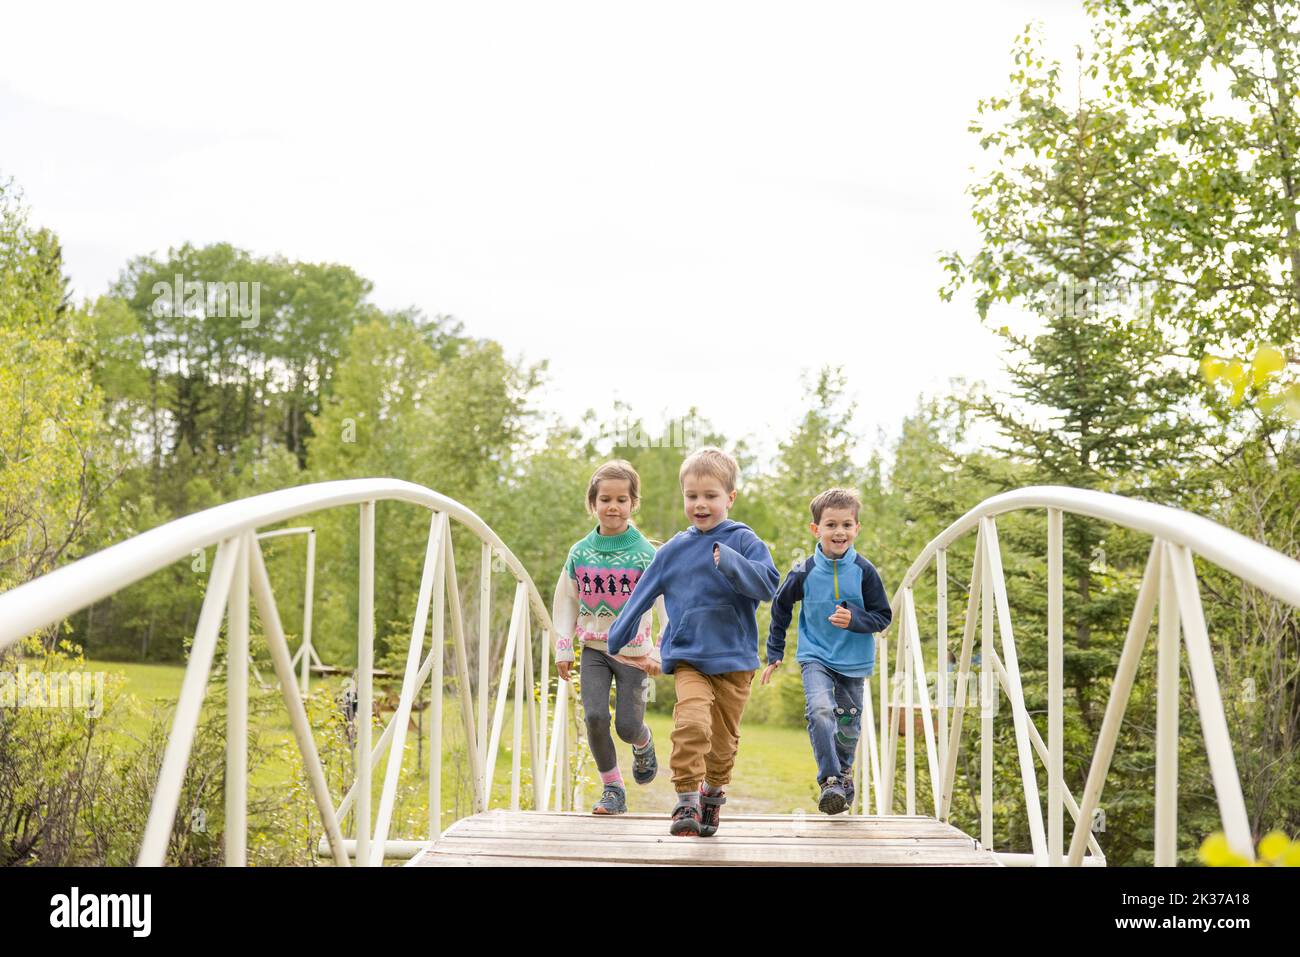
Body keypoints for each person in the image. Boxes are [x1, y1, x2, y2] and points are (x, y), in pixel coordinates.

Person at [608, 447, 779, 837]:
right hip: (688, 657)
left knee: (722, 744)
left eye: (710, 496)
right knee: (691, 723)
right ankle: (685, 800)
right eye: (692, 496)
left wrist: (732, 563)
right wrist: (618, 635)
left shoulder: (745, 540)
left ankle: (712, 797)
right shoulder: (672, 551)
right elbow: (642, 593)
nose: (700, 504)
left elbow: (769, 585)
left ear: (730, 498)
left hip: (735, 661)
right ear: (683, 495)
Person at [762, 488, 892, 814]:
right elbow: (780, 606)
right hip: (815, 655)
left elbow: (883, 617)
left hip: (854, 660)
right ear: (815, 529)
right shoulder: (803, 570)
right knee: (820, 711)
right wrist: (775, 651)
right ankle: (830, 780)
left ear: (857, 528)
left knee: (848, 726)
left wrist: (855, 619)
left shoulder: (865, 571)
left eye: (847, 525)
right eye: (831, 524)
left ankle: (844, 773)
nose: (839, 532)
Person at [552, 460, 667, 815]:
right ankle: (613, 789)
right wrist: (562, 645)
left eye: (621, 499)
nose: (613, 507)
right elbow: (567, 599)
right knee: (595, 717)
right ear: (593, 503)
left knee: (628, 726)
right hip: (593, 650)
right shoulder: (580, 553)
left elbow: (667, 605)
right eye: (605, 499)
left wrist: (662, 652)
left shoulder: (647, 555)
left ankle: (643, 741)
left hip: (635, 652)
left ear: (633, 503)